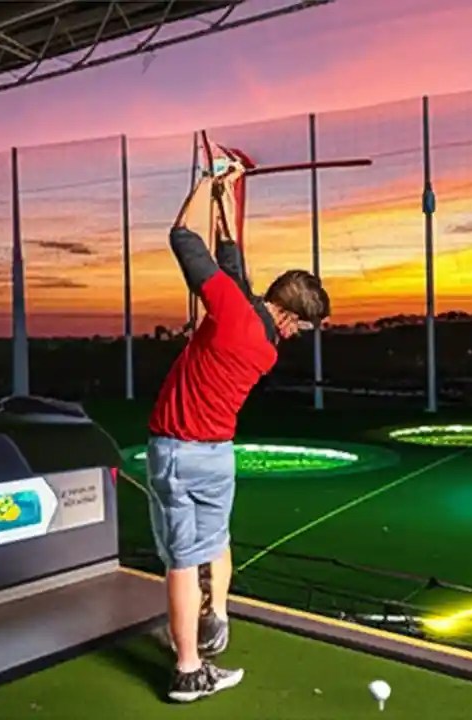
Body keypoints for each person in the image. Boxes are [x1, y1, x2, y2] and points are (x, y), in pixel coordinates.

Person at [146, 162, 330, 702]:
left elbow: (182, 238)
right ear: (289, 318)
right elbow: (231, 266)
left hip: (175, 453)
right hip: (215, 457)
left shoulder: (232, 313)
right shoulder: (264, 343)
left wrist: (205, 181)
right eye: (301, 326)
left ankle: (187, 668)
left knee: (181, 563)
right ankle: (216, 615)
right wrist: (225, 193)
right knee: (217, 541)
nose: (296, 335)